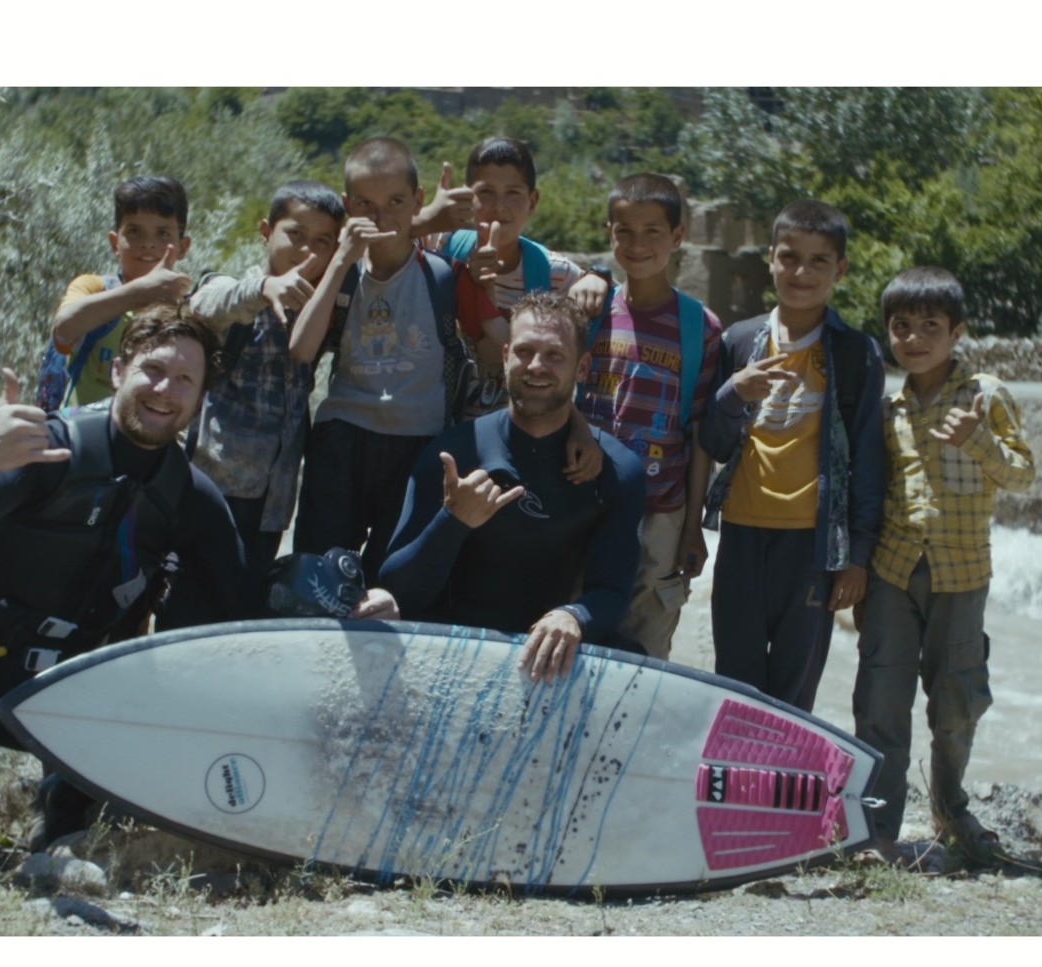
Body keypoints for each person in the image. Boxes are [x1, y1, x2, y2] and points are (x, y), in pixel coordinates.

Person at [0, 305, 257, 865]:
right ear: (119, 370)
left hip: (78, 693)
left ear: (199, 399)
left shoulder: (190, 497)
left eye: (184, 380)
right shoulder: (49, 449)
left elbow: (237, 605)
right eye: (152, 370)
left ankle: (62, 812)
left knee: (81, 818)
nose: (164, 390)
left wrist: (332, 607)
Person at [852, 267, 1034, 866]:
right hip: (893, 571)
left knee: (956, 700)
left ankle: (950, 807)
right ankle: (878, 824)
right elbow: (876, 490)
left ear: (957, 332)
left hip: (962, 574)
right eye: (902, 326)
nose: (914, 338)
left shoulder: (986, 394)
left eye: (931, 325)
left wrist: (979, 441)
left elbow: (1023, 476)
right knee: (881, 697)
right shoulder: (888, 406)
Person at [380, 291, 646, 684]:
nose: (536, 366)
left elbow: (612, 591)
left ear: (583, 367)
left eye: (554, 355)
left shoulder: (617, 471)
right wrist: (453, 521)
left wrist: (575, 617)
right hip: (449, 654)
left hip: (544, 662)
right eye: (524, 351)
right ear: (505, 357)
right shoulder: (454, 454)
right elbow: (398, 590)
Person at [699, 199, 885, 711]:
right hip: (742, 531)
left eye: (818, 260)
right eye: (789, 257)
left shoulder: (855, 353)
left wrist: (858, 558)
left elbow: (868, 461)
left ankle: (785, 766)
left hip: (813, 543)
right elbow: (713, 442)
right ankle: (736, 764)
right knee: (734, 680)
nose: (802, 272)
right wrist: (733, 394)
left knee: (793, 687)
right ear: (770, 259)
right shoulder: (739, 342)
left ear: (840, 269)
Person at [287, 138, 472, 586]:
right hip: (343, 439)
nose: (381, 217)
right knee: (317, 576)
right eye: (365, 205)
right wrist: (340, 262)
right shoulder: (341, 273)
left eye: (395, 202)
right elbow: (302, 349)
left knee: (392, 580)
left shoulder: (444, 276)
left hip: (419, 441)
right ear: (347, 205)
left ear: (418, 201)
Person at [575, 172, 723, 660]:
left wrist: (692, 526)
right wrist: (593, 273)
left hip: (662, 514)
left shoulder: (699, 328)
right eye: (625, 231)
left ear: (678, 236)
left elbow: (698, 433)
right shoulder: (588, 313)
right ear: (609, 232)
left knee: (646, 650)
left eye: (652, 231)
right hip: (587, 504)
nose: (637, 245)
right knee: (575, 634)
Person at [189, 180, 344, 584]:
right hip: (215, 488)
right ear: (265, 231)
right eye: (295, 234)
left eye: (322, 242)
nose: (307, 250)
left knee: (246, 604)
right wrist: (264, 287)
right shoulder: (236, 293)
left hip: (275, 502)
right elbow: (205, 304)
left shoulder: (318, 311)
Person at [414, 137, 609, 411]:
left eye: (513, 193)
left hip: (519, 427)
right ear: (467, 197)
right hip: (439, 423)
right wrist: (428, 219)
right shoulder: (438, 244)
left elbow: (613, 306)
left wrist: (598, 275)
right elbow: (379, 246)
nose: (500, 206)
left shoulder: (555, 274)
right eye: (486, 192)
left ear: (533, 202)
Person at [45, 176, 194, 408]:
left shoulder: (189, 311)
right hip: (80, 429)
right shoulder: (93, 288)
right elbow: (64, 329)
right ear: (115, 243)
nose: (148, 243)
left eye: (163, 234)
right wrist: (140, 292)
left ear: (183, 247)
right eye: (134, 231)